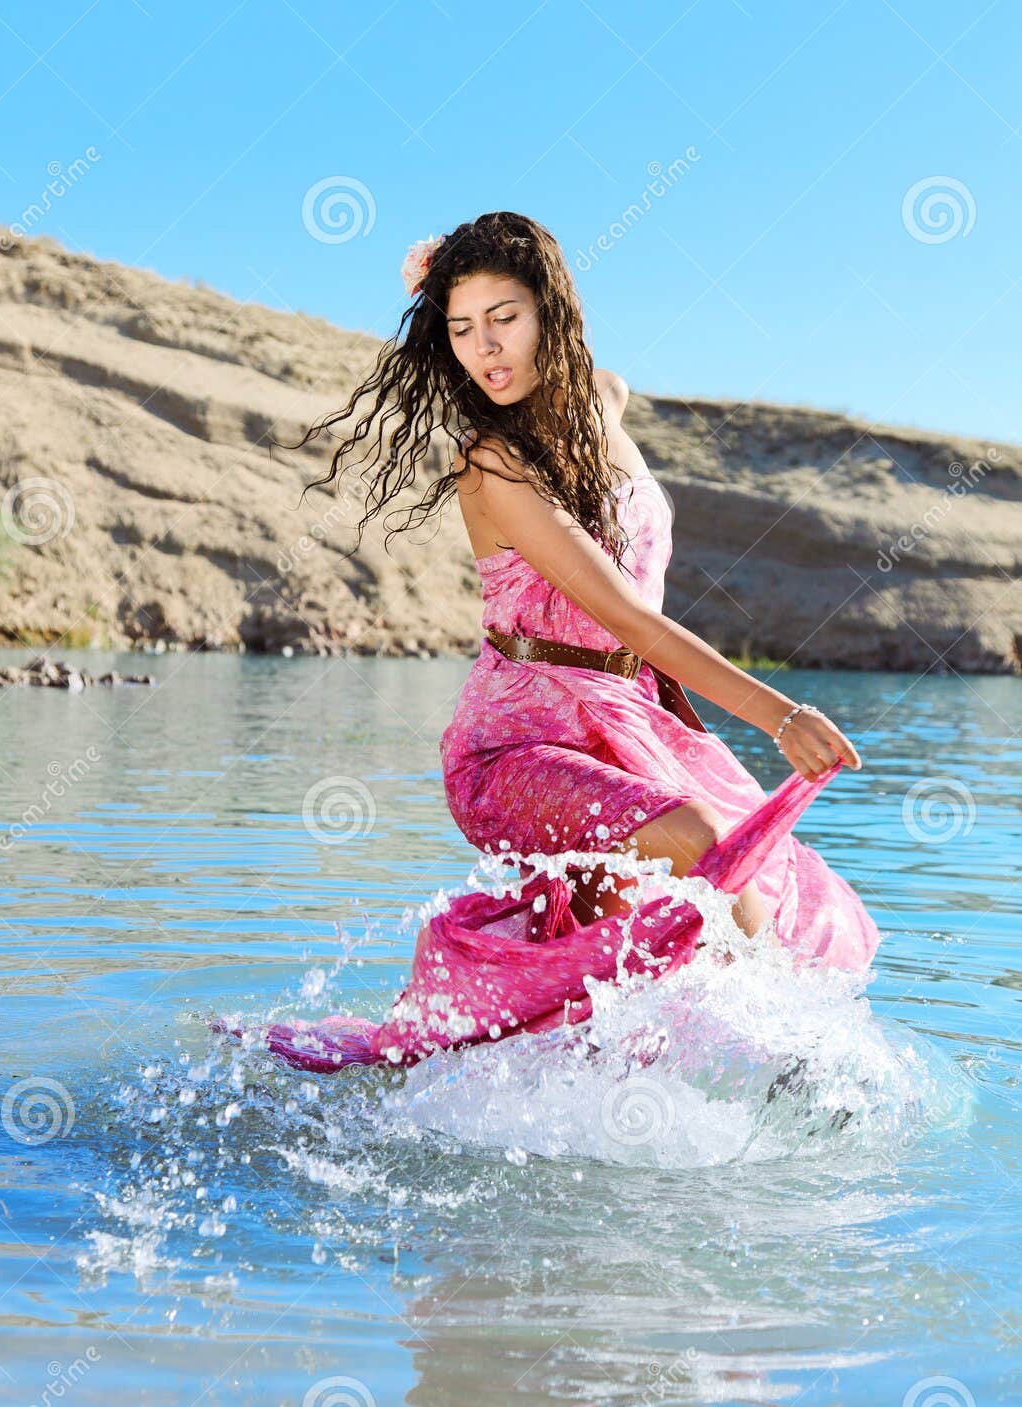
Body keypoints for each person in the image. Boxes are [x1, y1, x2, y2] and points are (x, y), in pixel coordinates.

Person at [283, 210, 880, 986]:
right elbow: (625, 616)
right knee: (703, 840)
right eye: (461, 328)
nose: (484, 348)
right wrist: (781, 714)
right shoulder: (490, 461)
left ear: (551, 312)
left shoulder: (604, 400)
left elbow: (601, 383)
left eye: (504, 317)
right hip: (516, 746)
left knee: (618, 965)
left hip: (625, 727)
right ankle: (797, 1049)